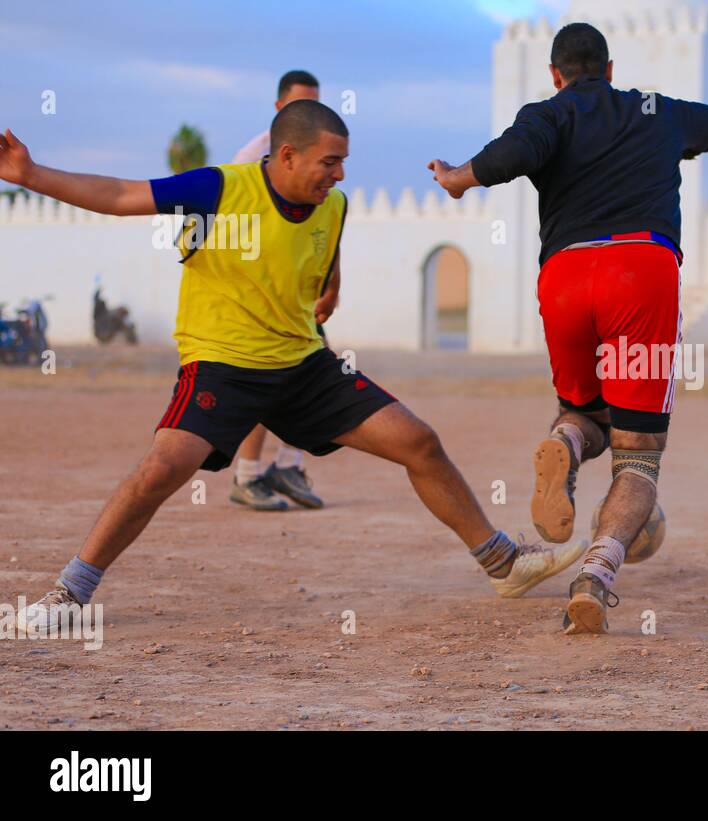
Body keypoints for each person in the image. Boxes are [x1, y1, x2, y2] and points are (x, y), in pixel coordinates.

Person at [1, 102, 585, 632]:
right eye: (329, 162)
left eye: (343, 163)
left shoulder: (334, 206)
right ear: (286, 155)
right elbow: (120, 195)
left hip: (303, 364)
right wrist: (31, 175)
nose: (339, 174)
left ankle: (502, 562)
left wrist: (326, 293)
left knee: (418, 442)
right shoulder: (218, 189)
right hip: (222, 366)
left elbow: (319, 267)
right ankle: (70, 594)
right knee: (160, 470)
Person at [431, 22, 708, 634]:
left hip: (565, 276)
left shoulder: (550, 113)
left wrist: (459, 178)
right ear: (611, 69)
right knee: (638, 457)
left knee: (582, 412)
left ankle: (565, 447)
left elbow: (509, 155)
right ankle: (594, 574)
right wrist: (677, 140)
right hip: (640, 273)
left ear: (556, 74)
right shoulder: (654, 110)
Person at [230, 69, 324, 511]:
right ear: (278, 109)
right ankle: (251, 473)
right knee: (269, 376)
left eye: (315, 104)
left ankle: (284, 465)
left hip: (294, 295)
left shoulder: (317, 159)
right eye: (298, 104)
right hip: (260, 295)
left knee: (308, 370)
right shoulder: (252, 157)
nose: (308, 113)